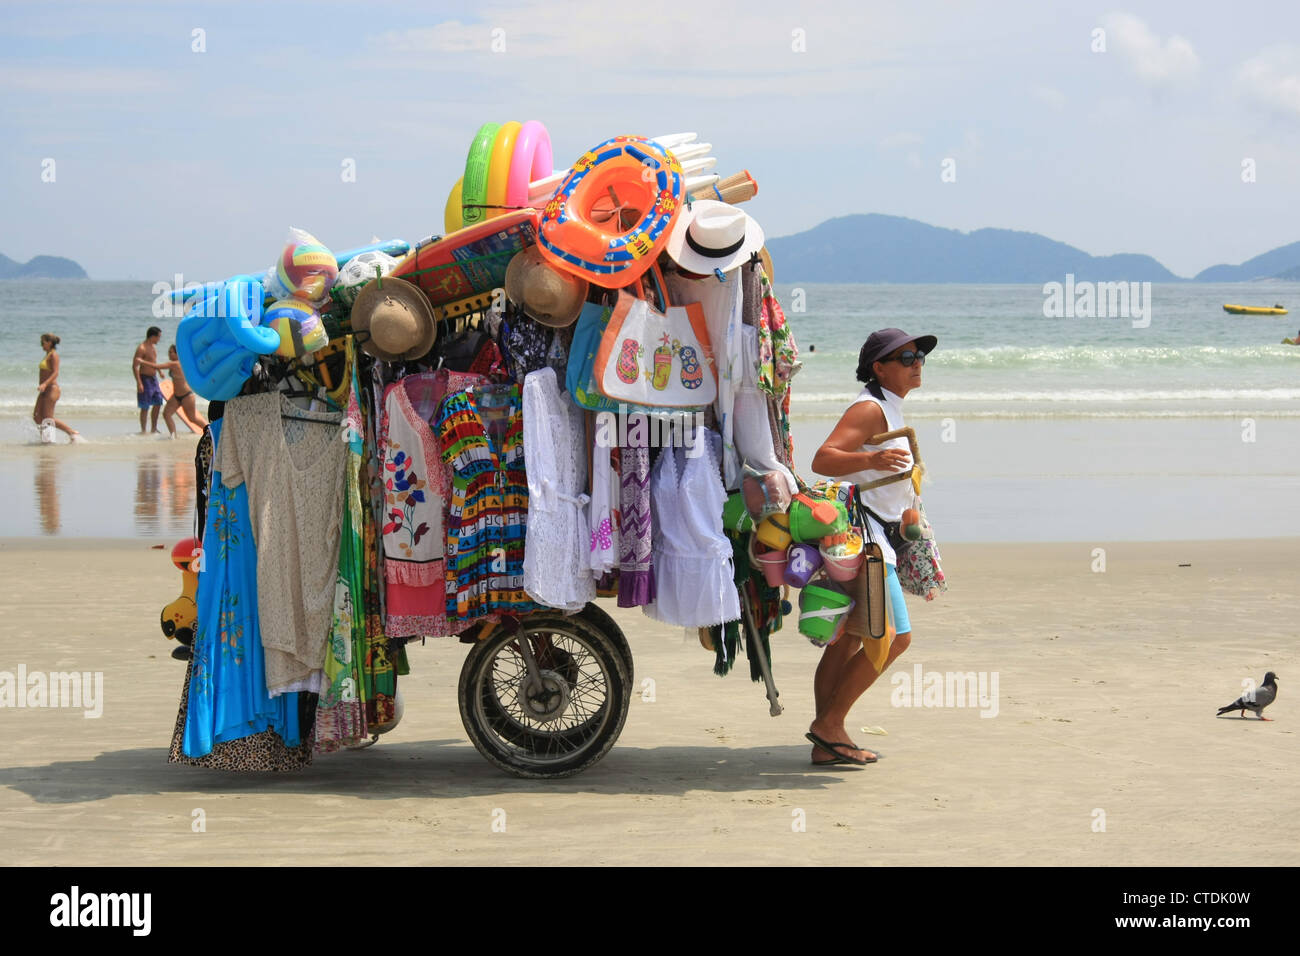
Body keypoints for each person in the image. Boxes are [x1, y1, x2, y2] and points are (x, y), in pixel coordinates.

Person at [807, 327, 936, 766]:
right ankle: (830, 725)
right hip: (866, 540)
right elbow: (822, 459)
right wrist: (870, 459)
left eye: (918, 356)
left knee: (845, 642)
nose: (916, 362)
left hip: (874, 537)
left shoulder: (890, 409)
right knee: (895, 639)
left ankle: (826, 741)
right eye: (905, 357)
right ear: (878, 368)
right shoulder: (870, 409)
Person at [33, 334, 83, 443]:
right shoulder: (47, 355)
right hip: (44, 390)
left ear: (49, 343)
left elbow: (55, 373)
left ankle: (72, 432)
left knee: (48, 418)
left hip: (51, 388)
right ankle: (45, 439)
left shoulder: (53, 355)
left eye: (43, 342)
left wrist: (45, 384)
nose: (41, 345)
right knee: (37, 416)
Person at [152, 343, 209, 436]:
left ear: (177, 354)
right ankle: (173, 436)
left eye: (171, 352)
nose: (169, 354)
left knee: (192, 418)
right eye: (169, 352)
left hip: (186, 396)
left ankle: (211, 431)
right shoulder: (176, 364)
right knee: (166, 414)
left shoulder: (176, 364)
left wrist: (142, 361)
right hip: (176, 396)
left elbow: (156, 366)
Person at [134, 326, 165, 434]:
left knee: (158, 402)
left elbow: (153, 361)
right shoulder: (142, 348)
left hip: (153, 379)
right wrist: (139, 382)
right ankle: (143, 430)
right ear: (152, 336)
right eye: (158, 337)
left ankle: (153, 428)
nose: (159, 340)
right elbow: (135, 366)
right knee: (145, 406)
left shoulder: (153, 347)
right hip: (144, 379)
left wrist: (160, 371)